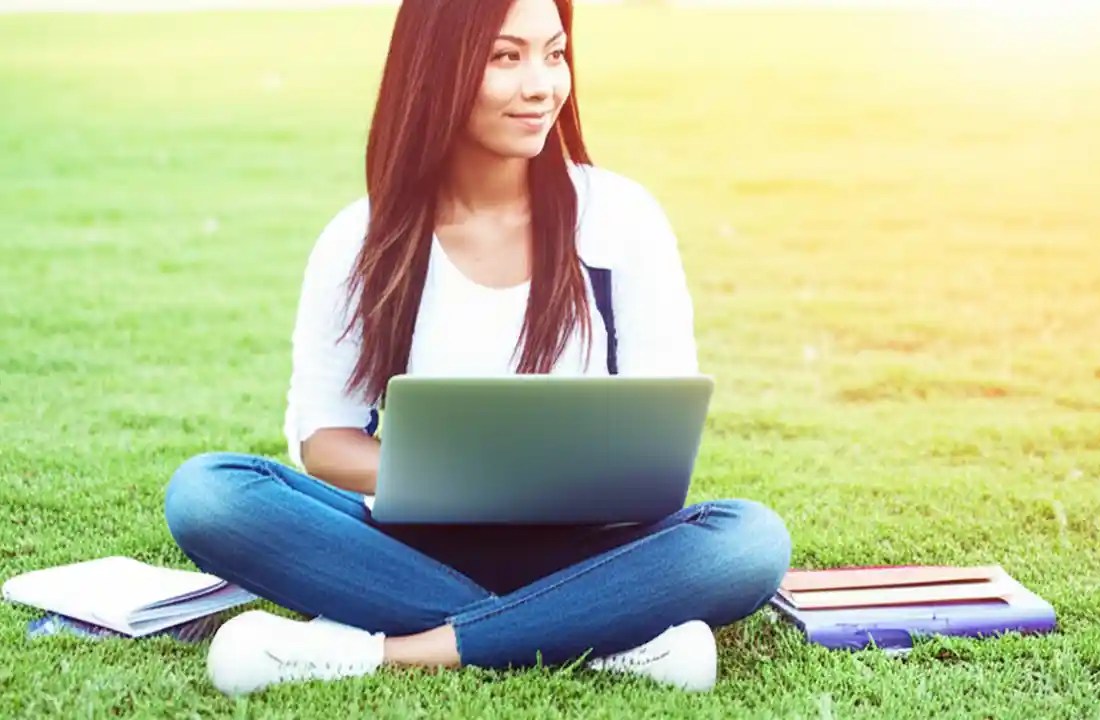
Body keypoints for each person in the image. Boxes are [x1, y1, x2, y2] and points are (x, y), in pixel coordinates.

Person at [163, 0, 791, 698]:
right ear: (438, 68)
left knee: (750, 539)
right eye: (505, 57)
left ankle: (386, 653)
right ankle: (602, 637)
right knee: (209, 494)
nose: (542, 84)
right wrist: (462, 478)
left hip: (588, 547)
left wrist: (552, 486)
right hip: (411, 543)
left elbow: (662, 432)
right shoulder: (360, 241)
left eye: (555, 54)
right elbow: (325, 444)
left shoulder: (622, 219)